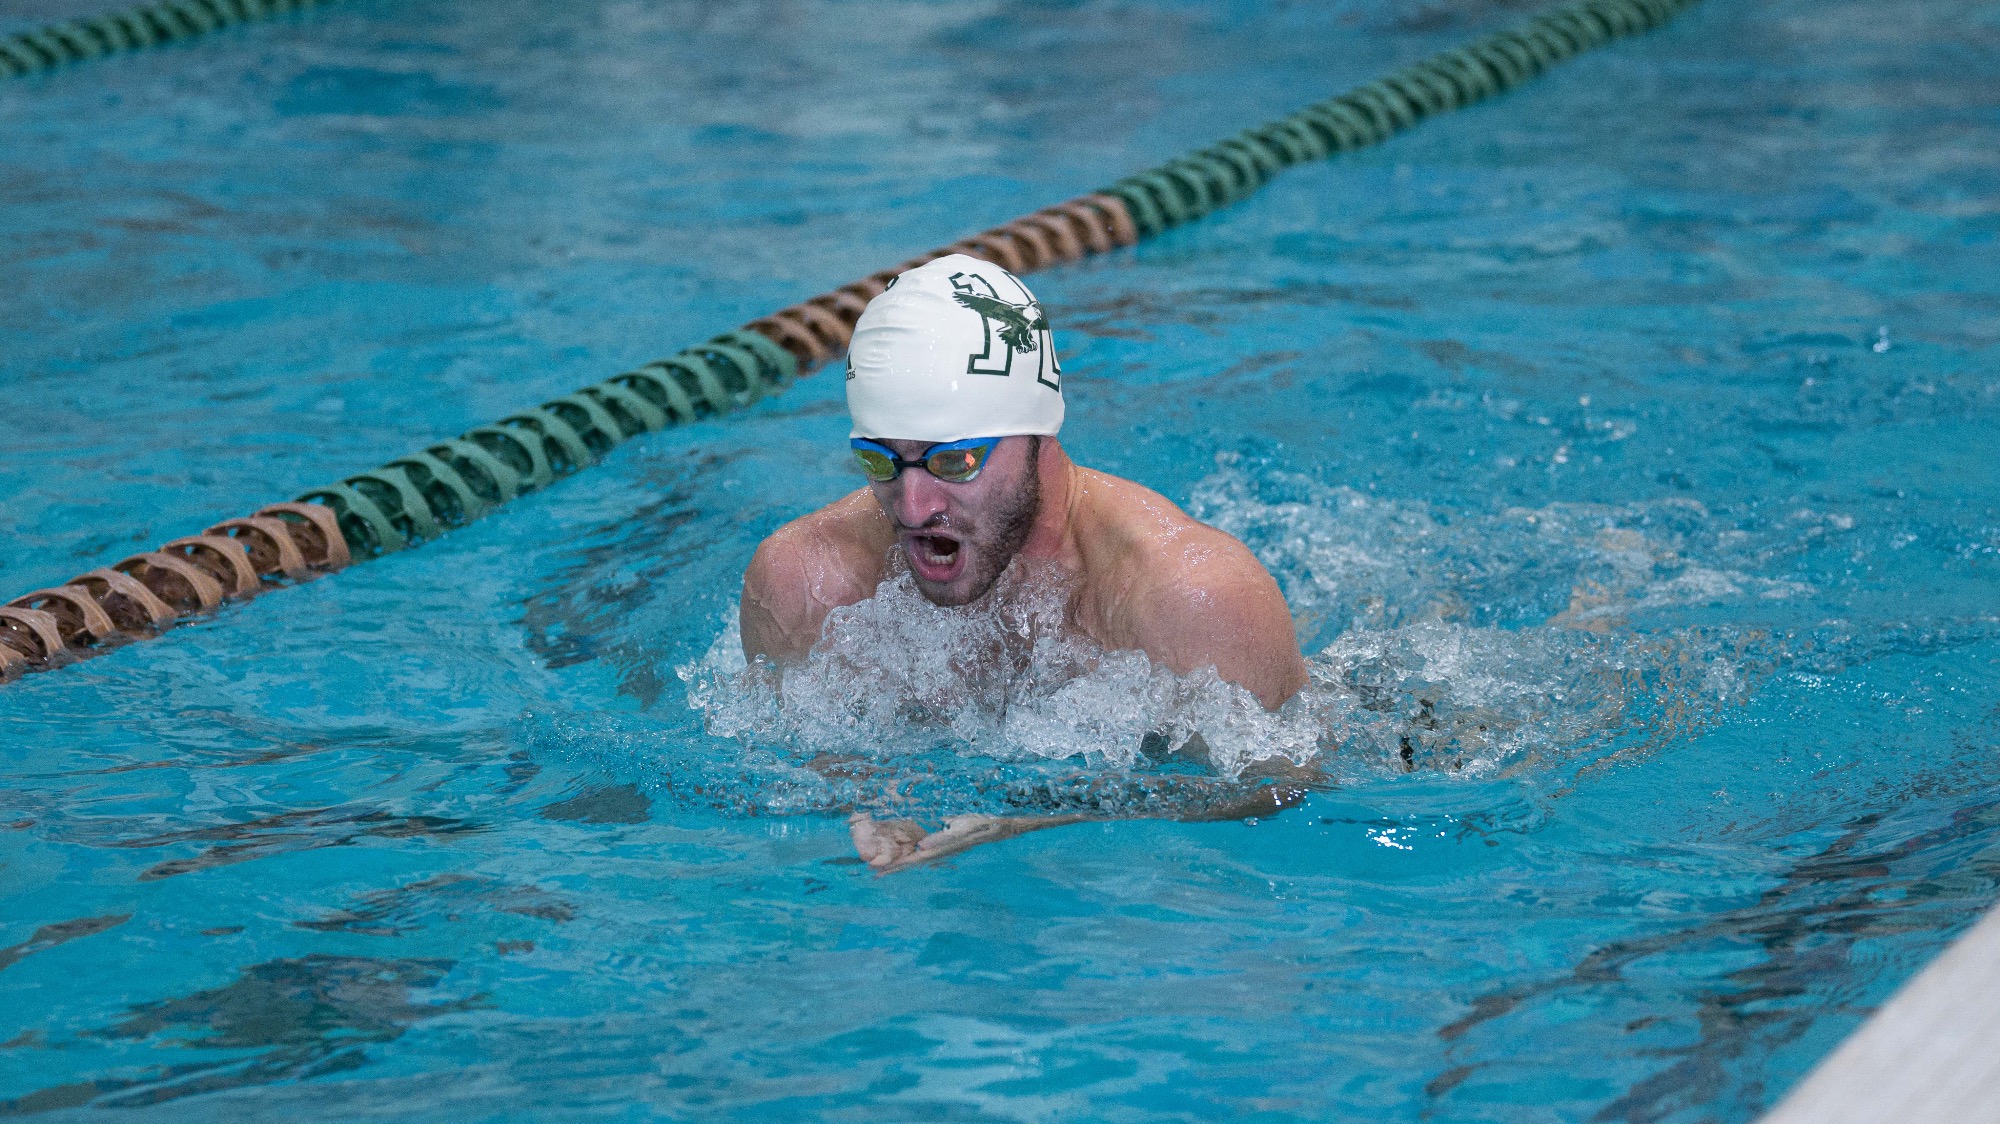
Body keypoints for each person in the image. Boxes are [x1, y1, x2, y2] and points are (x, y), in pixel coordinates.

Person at [738, 254, 1311, 872]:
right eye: (880, 461)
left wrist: (1043, 820)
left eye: (954, 462)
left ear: (1040, 434)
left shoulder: (1191, 599)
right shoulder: (806, 582)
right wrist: (865, 793)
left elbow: (1281, 786)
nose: (912, 507)